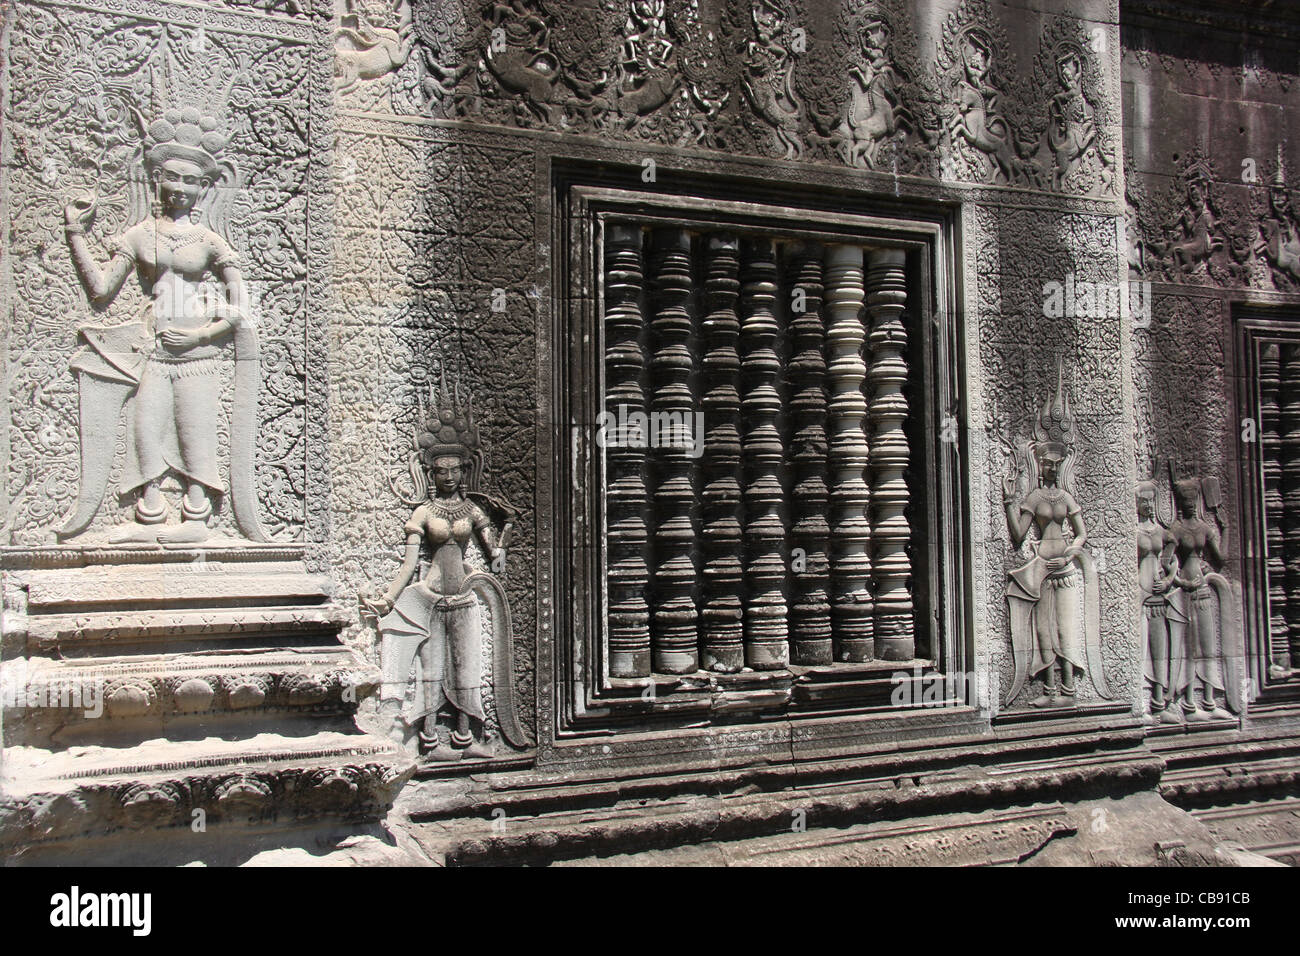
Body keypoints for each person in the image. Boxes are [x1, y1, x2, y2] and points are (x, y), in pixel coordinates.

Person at [61, 106, 264, 544]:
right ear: (157, 179)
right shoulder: (139, 234)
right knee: (145, 429)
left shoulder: (210, 242)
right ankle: (148, 513)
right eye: (173, 177)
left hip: (198, 353)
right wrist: (76, 234)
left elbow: (241, 306)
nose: (181, 188)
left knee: (195, 432)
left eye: (191, 181)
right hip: (152, 349)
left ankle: (196, 517)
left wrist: (200, 335)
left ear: (205, 188)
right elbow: (100, 291)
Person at [370, 416, 506, 760]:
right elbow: (408, 565)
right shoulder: (423, 512)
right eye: (441, 472)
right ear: (431, 475)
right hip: (430, 597)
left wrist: (503, 534)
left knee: (466, 667)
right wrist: (388, 598)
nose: (449, 477)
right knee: (430, 670)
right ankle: (429, 739)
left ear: (464, 472)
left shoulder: (472, 511)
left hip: (464, 596)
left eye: (455, 470)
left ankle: (464, 736)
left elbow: (495, 559)